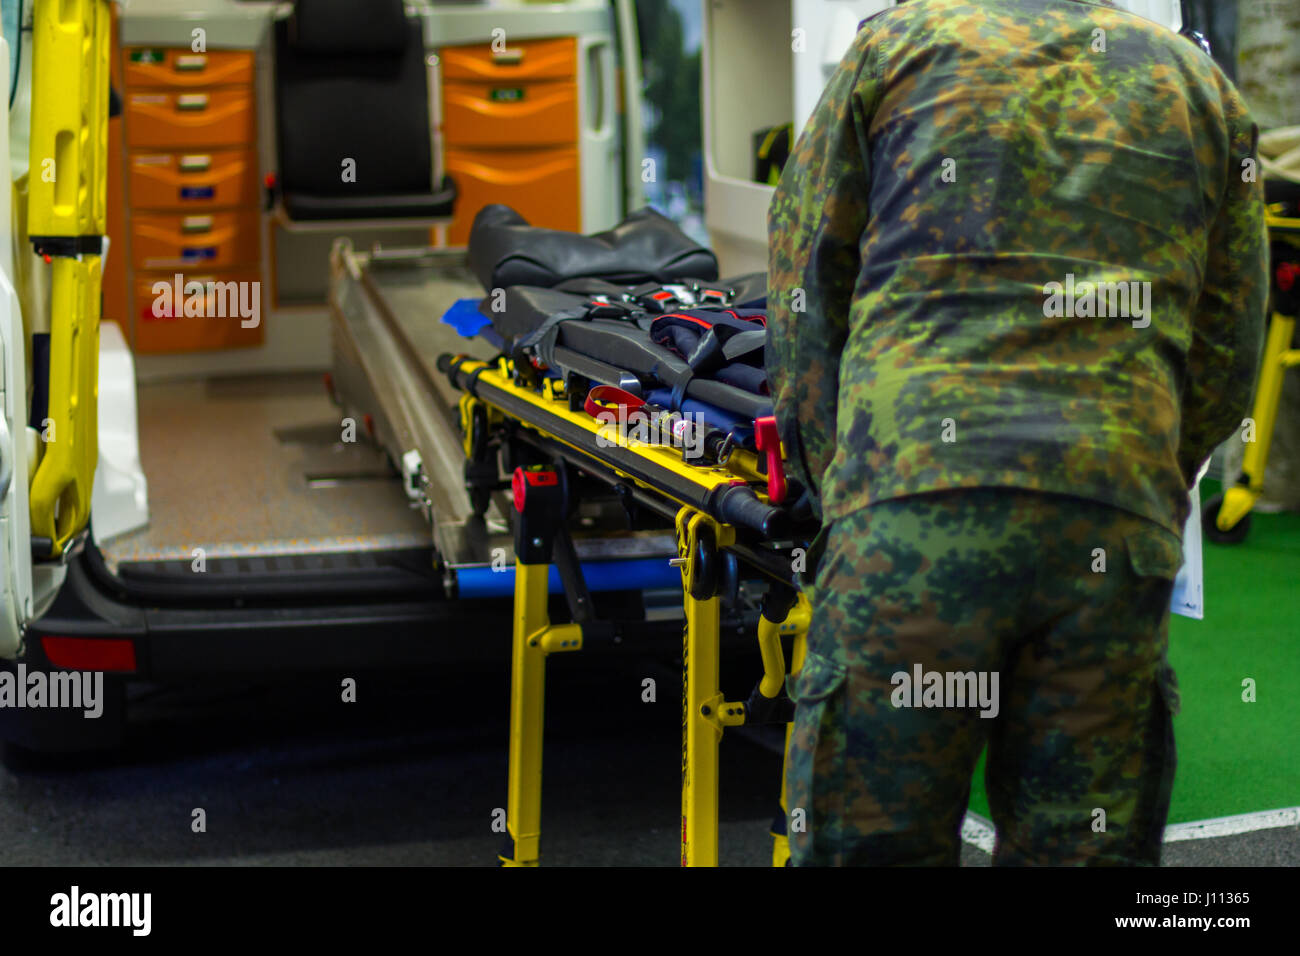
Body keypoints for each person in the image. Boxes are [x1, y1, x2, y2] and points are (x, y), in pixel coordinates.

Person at [767, 0, 1267, 866]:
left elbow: (806, 282)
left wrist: (841, 482)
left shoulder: (895, 48)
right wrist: (1147, 470)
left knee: (874, 844)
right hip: (1109, 522)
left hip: (910, 512)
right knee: (1083, 846)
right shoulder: (1194, 83)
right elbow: (1232, 333)